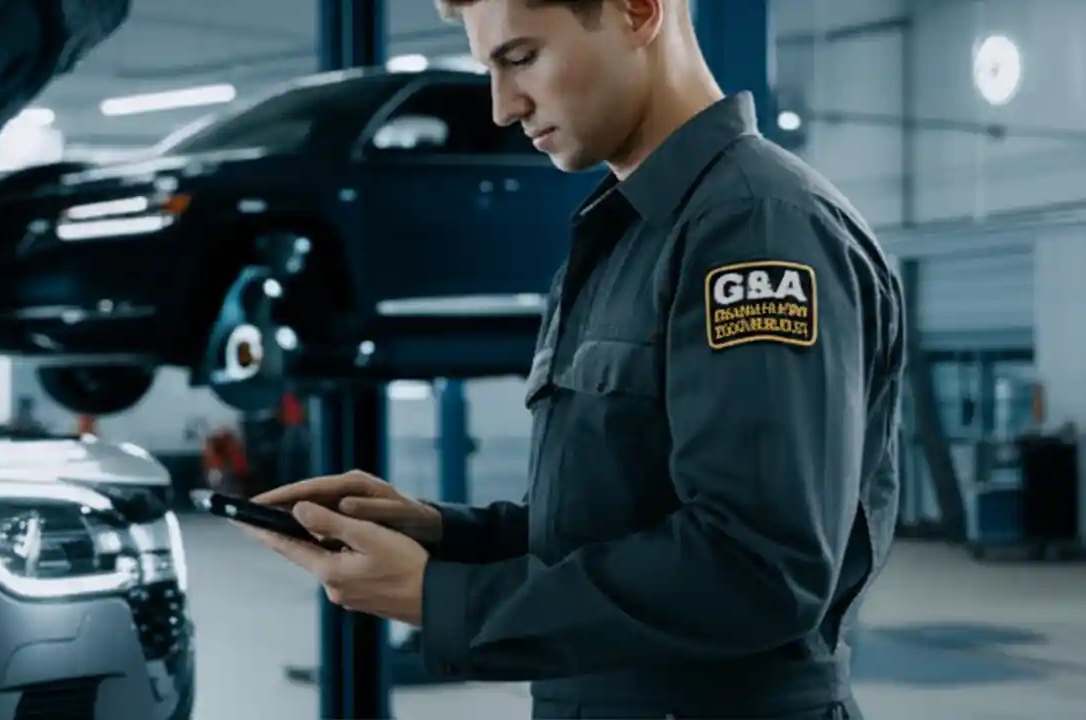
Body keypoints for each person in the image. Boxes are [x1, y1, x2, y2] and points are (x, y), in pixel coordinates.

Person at [242, 0, 906, 717]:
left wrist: (446, 602)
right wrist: (443, 535)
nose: (501, 107)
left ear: (638, 11)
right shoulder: (625, 234)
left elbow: (757, 567)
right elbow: (616, 523)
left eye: (521, 58)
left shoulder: (756, 229)